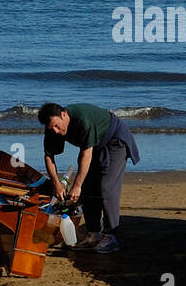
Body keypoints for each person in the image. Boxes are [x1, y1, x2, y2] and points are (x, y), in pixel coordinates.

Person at [38, 102, 141, 254]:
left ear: (64, 114)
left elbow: (86, 154)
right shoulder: (52, 129)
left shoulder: (82, 120)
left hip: (115, 140)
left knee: (106, 188)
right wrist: (57, 184)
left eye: (57, 126)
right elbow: (49, 156)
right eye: (51, 128)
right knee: (88, 189)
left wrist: (77, 185)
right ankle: (94, 234)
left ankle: (110, 236)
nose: (56, 131)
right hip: (96, 145)